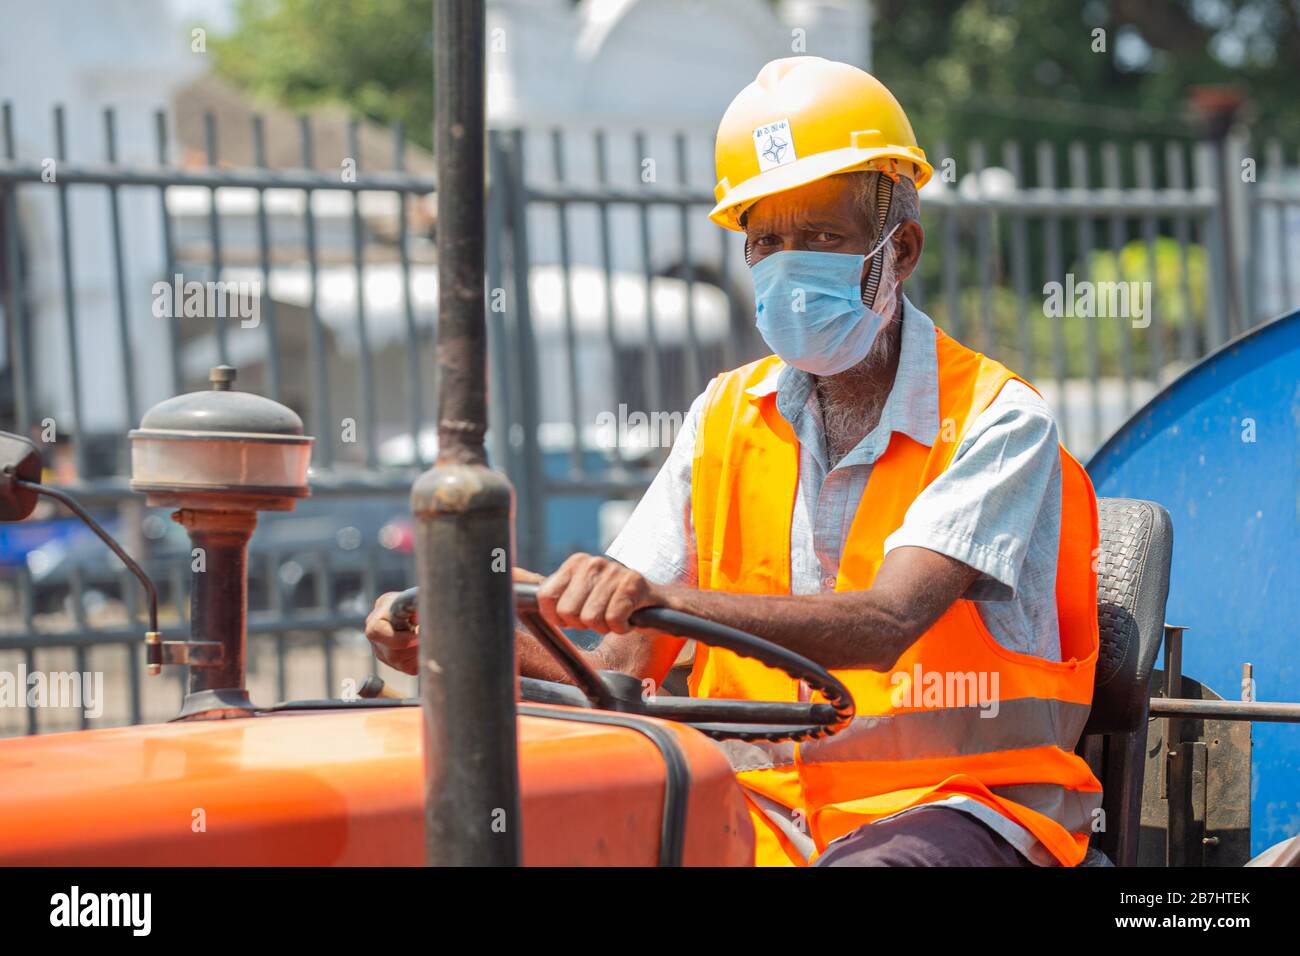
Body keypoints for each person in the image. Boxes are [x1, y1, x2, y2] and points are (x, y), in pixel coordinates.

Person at [367, 56, 1102, 867]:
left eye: (822, 236)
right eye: (768, 242)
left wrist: (660, 595)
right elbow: (620, 659)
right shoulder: (724, 414)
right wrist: (460, 641)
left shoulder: (997, 420)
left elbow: (888, 624)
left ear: (902, 250)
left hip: (966, 803)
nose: (790, 266)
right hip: (765, 808)